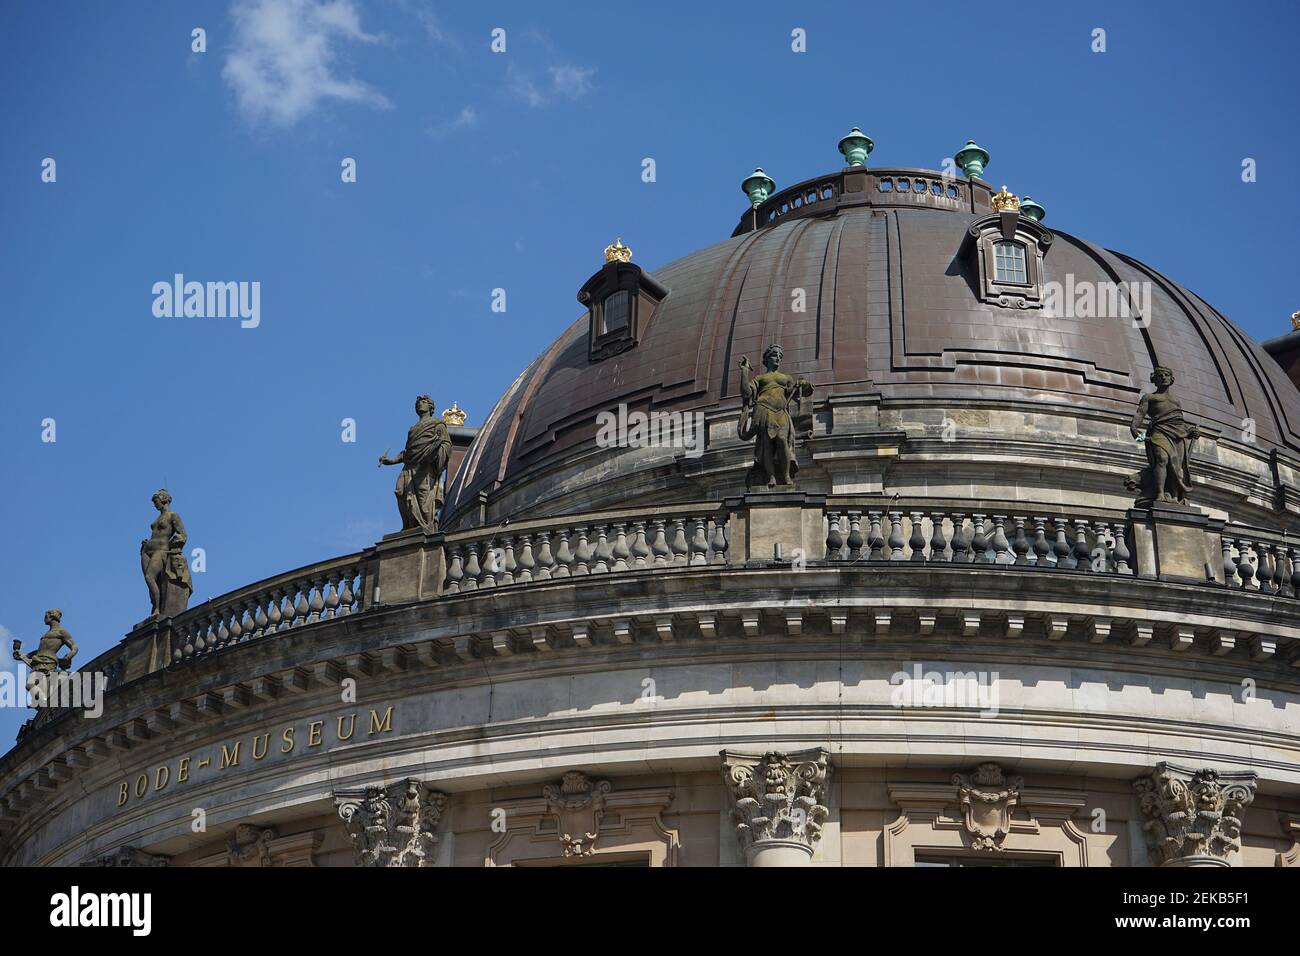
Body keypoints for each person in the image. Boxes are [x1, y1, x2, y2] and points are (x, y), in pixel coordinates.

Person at [380, 395, 452, 532]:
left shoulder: (437, 424)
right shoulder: (413, 429)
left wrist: (436, 455)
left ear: (430, 407)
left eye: (423, 402)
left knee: (423, 500)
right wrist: (391, 460)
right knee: (400, 491)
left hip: (425, 467)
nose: (420, 405)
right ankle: (408, 525)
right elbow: (408, 452)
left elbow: (446, 444)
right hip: (409, 467)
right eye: (418, 403)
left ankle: (425, 527)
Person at [1129, 366, 1200, 505]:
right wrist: (1140, 437)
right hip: (1158, 432)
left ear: (1171, 379)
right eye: (1160, 375)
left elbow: (1179, 421)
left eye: (1166, 375)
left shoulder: (1176, 401)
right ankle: (1160, 493)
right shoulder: (1150, 397)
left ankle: (1173, 494)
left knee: (1175, 466)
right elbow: (1139, 416)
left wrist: (1191, 432)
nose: (1163, 377)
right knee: (1162, 458)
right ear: (1154, 379)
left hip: (1177, 436)